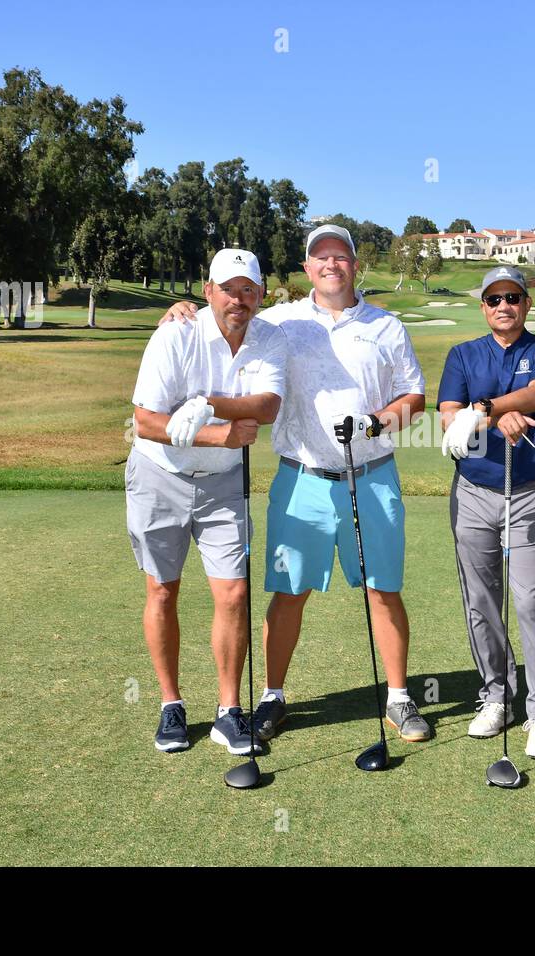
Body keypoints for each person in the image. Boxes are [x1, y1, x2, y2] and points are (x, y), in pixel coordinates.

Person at [158, 224, 432, 744]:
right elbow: (225, 314)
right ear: (307, 269)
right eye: (320, 258)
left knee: (383, 592)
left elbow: (413, 396)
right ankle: (273, 697)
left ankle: (398, 698)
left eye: (341, 257)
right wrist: (177, 313)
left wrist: (377, 421)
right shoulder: (279, 322)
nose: (331, 265)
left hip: (371, 479)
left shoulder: (387, 326)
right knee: (289, 593)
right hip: (301, 479)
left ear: (355, 266)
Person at [128, 248, 287, 756]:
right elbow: (146, 422)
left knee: (234, 595)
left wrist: (206, 406)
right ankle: (171, 703)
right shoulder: (175, 333)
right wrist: (221, 436)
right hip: (160, 475)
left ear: (259, 294)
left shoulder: (270, 338)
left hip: (224, 489)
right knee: (162, 592)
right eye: (228, 288)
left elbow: (267, 406)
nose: (238, 299)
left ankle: (227, 711)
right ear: (208, 291)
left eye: (248, 289)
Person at [438, 266, 535, 759]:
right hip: (472, 490)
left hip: (527, 491)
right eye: (494, 299)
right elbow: (449, 412)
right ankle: (496, 695)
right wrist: (481, 415)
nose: (503, 306)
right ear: (484, 307)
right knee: (480, 602)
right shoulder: (463, 354)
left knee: (529, 603)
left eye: (512, 297)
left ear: (526, 303)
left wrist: (487, 409)